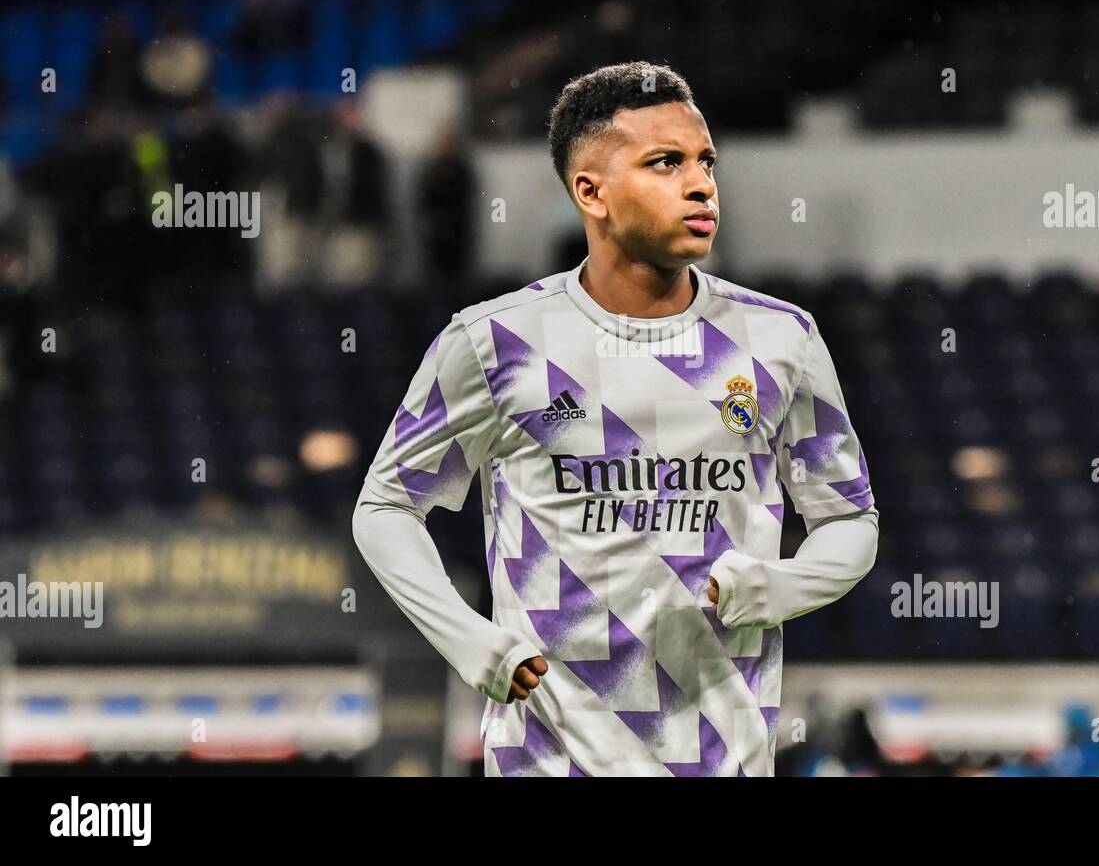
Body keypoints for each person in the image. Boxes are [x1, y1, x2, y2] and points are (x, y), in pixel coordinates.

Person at [352, 61, 880, 776]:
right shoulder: (492, 344)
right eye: (665, 163)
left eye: (705, 161)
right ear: (591, 192)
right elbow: (385, 507)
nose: (700, 184)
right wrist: (470, 643)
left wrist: (780, 586)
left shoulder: (782, 340)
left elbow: (849, 521)